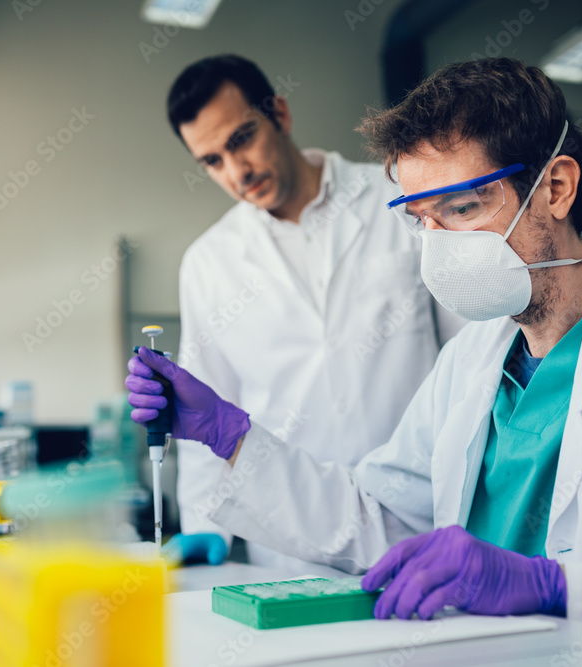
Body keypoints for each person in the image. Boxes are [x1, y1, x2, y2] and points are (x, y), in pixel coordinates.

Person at [129, 57, 582, 652]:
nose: (437, 247)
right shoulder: (471, 364)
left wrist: (558, 587)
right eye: (420, 221)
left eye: (461, 207)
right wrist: (228, 433)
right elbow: (383, 521)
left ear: (557, 188)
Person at [162, 55, 462, 574]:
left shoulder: (399, 200)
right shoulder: (208, 263)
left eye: (241, 139)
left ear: (279, 113)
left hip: (423, 517)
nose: (237, 172)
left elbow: (473, 354)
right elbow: (205, 408)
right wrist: (203, 531)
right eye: (212, 161)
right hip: (290, 548)